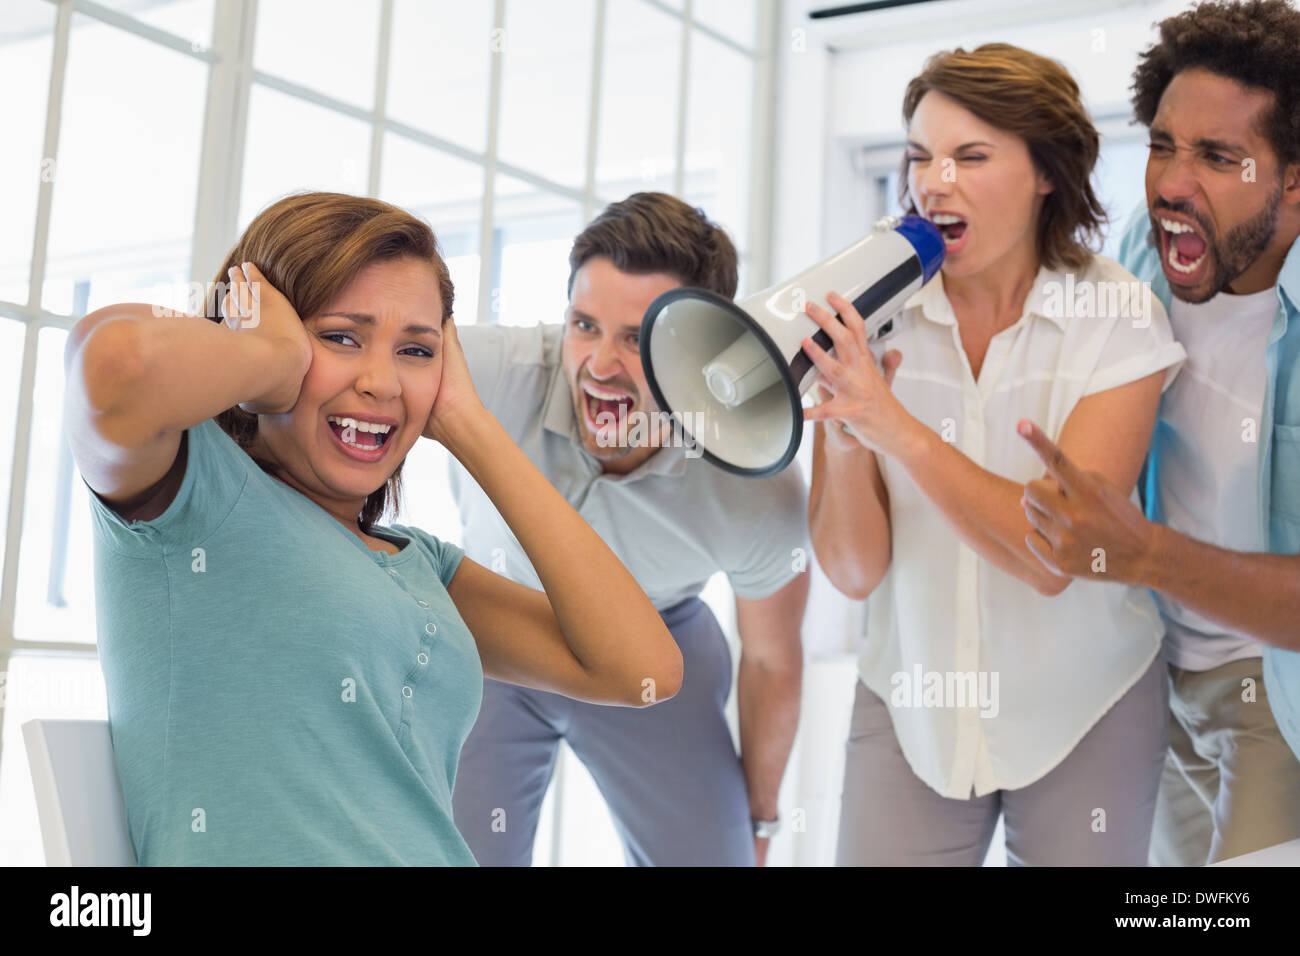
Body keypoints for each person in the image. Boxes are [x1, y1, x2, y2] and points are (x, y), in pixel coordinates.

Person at [65, 192, 682, 866]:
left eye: (416, 350)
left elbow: (642, 671)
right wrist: (273, 357)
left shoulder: (422, 565)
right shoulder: (192, 499)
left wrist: (469, 425)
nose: (383, 383)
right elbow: (115, 365)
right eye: (339, 337)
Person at [808, 44, 1186, 865]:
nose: (932, 181)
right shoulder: (871, 320)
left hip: (1087, 706)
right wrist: (845, 437)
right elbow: (851, 571)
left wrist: (894, 426)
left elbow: (1059, 555)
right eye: (918, 158)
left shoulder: (1118, 317)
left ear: (1046, 172)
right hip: (909, 705)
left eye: (970, 157)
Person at [1016, 0, 1300, 866]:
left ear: (1293, 179)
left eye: (1218, 157)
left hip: (1277, 693)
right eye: (1163, 146)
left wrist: (1140, 554)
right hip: (1150, 674)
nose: (1172, 182)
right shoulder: (1141, 257)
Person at [449, 193, 809, 866]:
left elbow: (770, 658)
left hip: (657, 649)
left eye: (639, 339)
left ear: (707, 349)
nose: (601, 364)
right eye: (584, 325)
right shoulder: (498, 370)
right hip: (493, 637)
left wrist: (758, 817)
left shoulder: (755, 489)